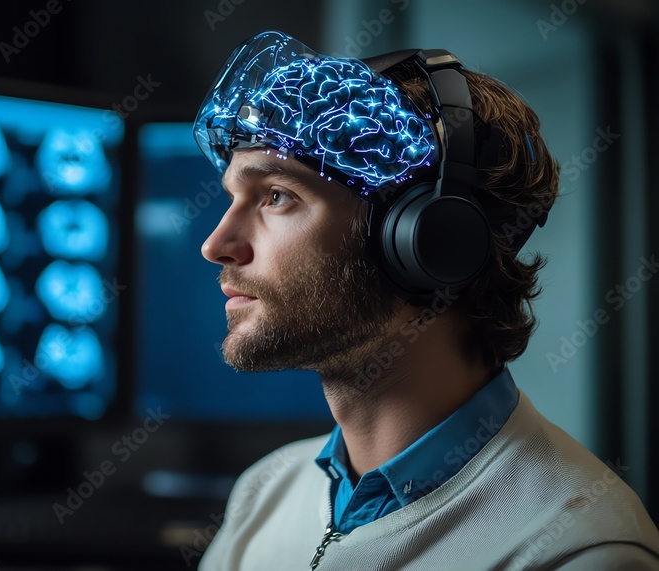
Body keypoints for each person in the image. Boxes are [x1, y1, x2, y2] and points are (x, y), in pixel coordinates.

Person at [193, 31, 659, 570]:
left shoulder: (575, 551)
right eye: (234, 197)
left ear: (427, 242)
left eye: (277, 196)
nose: (216, 246)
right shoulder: (266, 492)